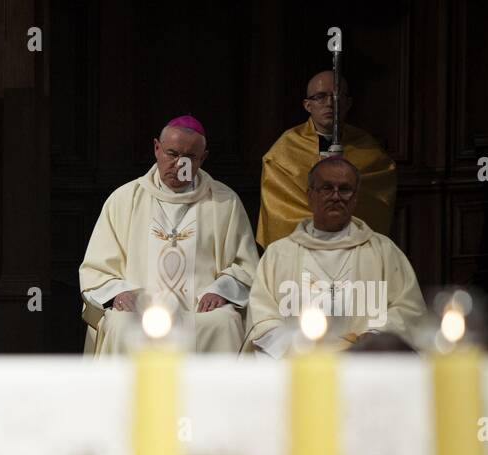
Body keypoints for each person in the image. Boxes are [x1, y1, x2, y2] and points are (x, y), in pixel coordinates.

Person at [79, 116, 258, 354]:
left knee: (225, 323)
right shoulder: (124, 199)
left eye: (190, 157)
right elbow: (96, 268)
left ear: (203, 158)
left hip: (199, 312)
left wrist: (222, 289)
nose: (178, 163)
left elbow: (246, 265)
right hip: (140, 310)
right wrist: (118, 292)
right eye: (172, 153)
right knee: (120, 324)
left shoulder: (224, 201)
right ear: (156, 148)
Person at [245, 156, 427, 356]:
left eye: (345, 189)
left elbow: (409, 308)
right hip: (297, 362)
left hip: (365, 360)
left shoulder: (384, 250)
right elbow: (262, 316)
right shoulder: (278, 254)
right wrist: (296, 348)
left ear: (356, 197)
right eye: (326, 188)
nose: (335, 196)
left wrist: (374, 338)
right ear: (310, 195)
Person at [257, 70, 397, 248]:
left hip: (354, 245)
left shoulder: (368, 148)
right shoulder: (285, 149)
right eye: (320, 97)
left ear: (348, 103)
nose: (330, 103)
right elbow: (280, 207)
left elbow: (376, 199)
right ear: (308, 105)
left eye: (337, 96)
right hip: (302, 246)